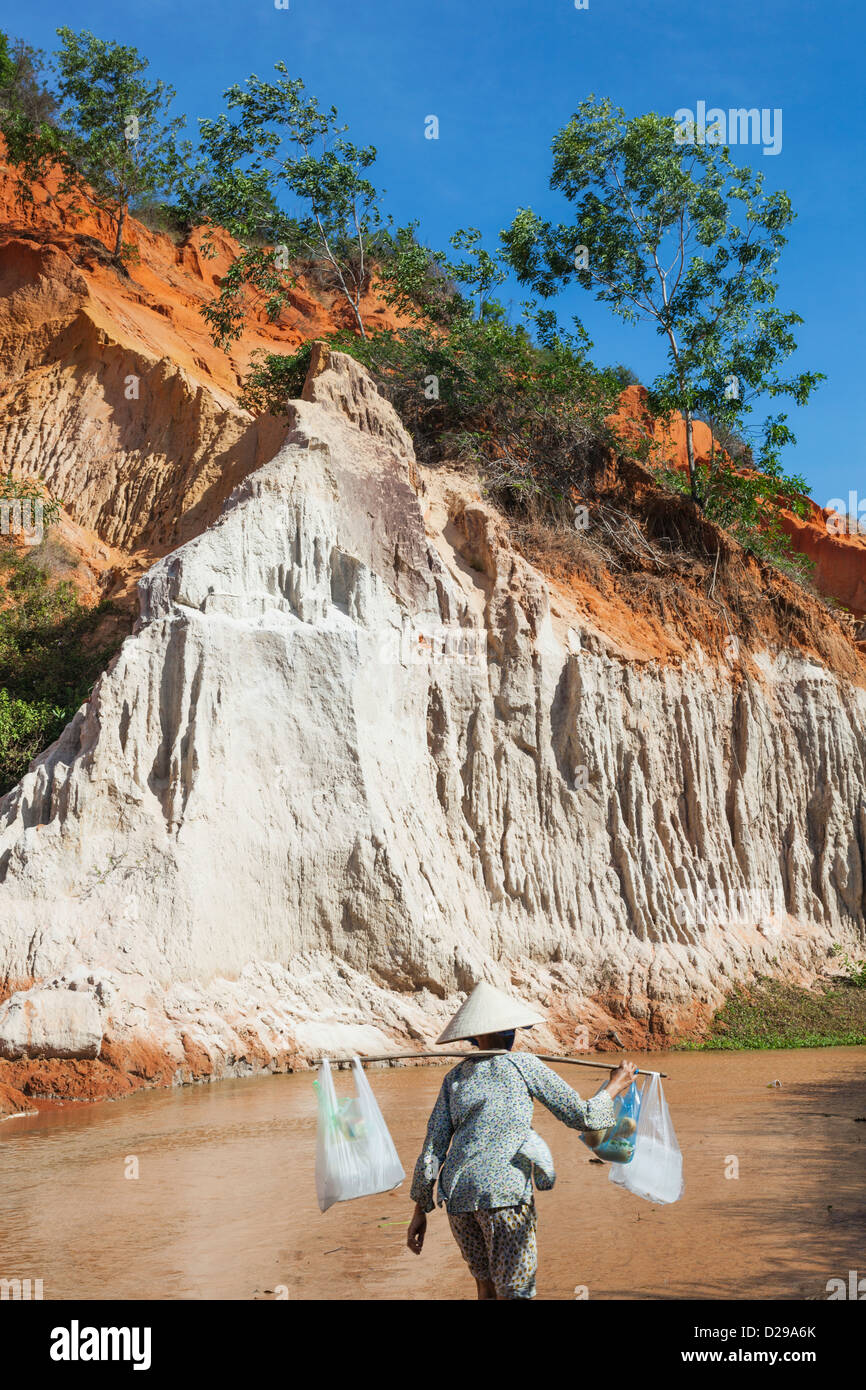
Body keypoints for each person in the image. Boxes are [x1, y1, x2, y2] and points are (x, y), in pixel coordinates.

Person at [406, 980, 638, 1300]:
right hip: (504, 1193)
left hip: (458, 1196)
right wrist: (616, 1085)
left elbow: (433, 1146)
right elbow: (580, 1116)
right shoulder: (524, 1064)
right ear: (506, 1032)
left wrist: (420, 1208)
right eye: (513, 1028)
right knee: (516, 1291)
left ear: (474, 1036)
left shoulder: (455, 1078)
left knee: (485, 1286)